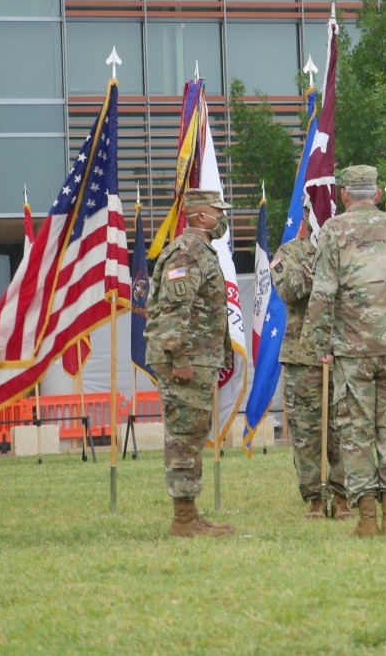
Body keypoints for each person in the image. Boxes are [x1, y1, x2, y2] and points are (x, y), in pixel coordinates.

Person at [302, 165, 386, 538]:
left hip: (352, 351)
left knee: (357, 433)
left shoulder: (333, 231)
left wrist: (321, 344)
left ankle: (365, 520)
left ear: (344, 195)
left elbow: (323, 292)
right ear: (377, 195)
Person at [144, 189, 237, 538]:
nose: (222, 217)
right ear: (199, 216)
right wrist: (180, 357)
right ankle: (183, 520)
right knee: (184, 437)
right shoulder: (187, 253)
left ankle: (190, 514)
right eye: (217, 211)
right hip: (185, 361)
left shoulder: (201, 251)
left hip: (198, 358)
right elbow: (173, 310)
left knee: (193, 435)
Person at [272, 206, 349, 520]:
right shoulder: (287, 253)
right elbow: (289, 291)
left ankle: (343, 496)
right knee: (306, 433)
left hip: (344, 353)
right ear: (304, 215)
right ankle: (315, 499)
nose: (319, 214)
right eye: (313, 210)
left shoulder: (347, 248)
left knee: (343, 430)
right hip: (303, 357)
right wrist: (321, 262)